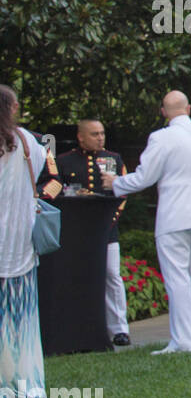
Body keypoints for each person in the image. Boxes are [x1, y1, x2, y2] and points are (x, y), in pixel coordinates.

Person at [108, 92, 191, 354]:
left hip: (176, 215)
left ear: (163, 111)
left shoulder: (162, 138)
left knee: (178, 277)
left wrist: (116, 183)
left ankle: (184, 340)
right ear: (189, 109)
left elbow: (144, 177)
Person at [51, 119, 131, 346]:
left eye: (102, 133)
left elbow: (122, 196)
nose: (100, 138)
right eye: (94, 134)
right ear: (81, 137)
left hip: (107, 230)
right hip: (76, 231)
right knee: (77, 276)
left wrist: (108, 221)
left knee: (112, 274)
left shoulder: (113, 160)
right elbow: (57, 192)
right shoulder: (64, 162)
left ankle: (119, 329)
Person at [0, 85, 49, 398]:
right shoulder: (27, 142)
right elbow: (42, 169)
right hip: (21, 242)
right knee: (24, 317)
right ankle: (29, 383)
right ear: (14, 107)